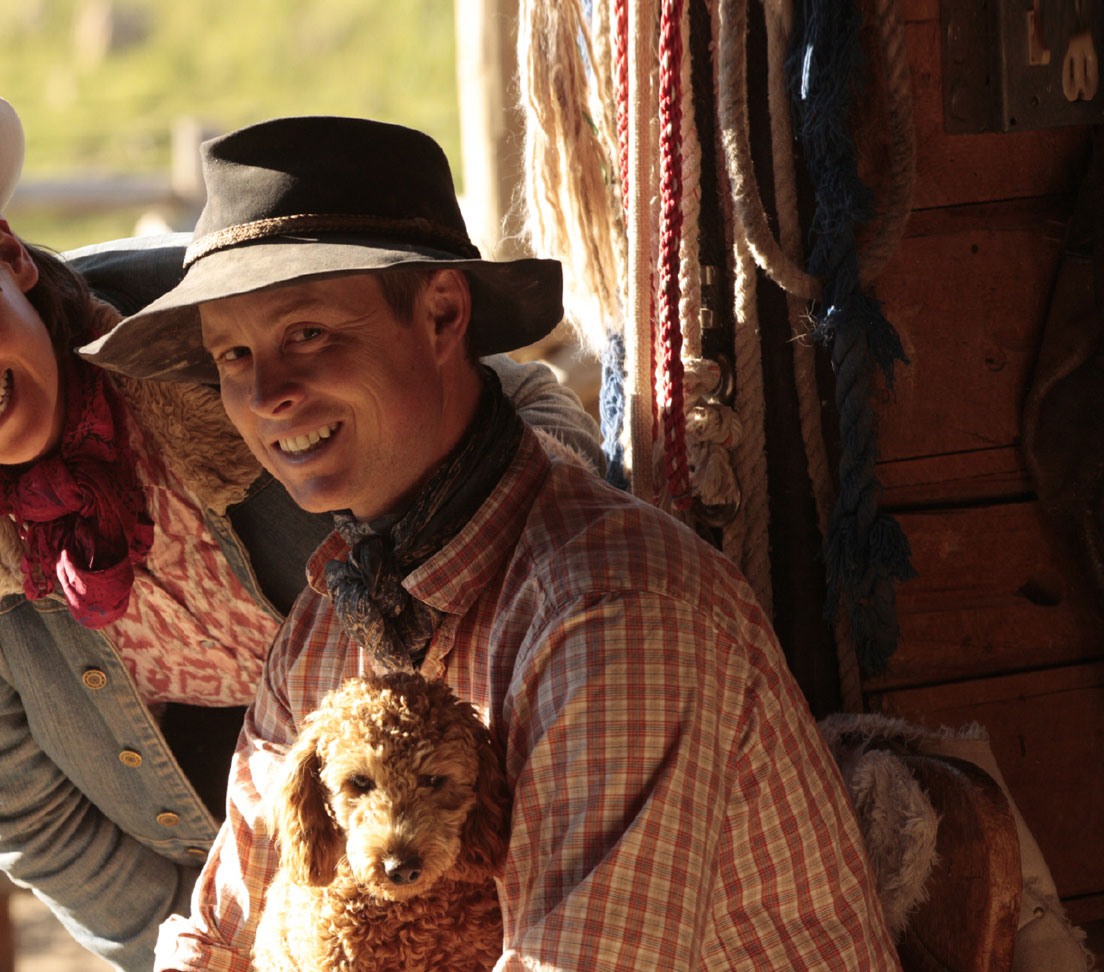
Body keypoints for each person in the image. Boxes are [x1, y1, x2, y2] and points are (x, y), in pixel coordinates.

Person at [0, 93, 602, 972]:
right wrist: (216, 948)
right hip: (212, 880)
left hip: (471, 823)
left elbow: (507, 398)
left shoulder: (209, 304)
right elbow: (22, 808)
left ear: (8, 255)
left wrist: (562, 578)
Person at [77, 115, 903, 970]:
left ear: (441, 314)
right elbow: (221, 936)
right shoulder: (332, 620)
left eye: (308, 335)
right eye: (234, 356)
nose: (267, 394)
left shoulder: (612, 618)